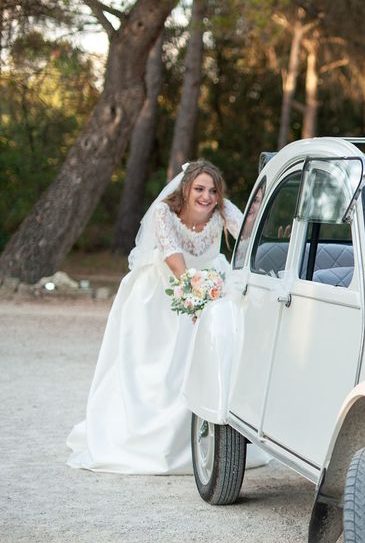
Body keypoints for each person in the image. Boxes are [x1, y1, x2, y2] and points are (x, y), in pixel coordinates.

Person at [67, 161, 253, 474]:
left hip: (209, 280)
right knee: (159, 362)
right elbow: (172, 255)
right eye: (199, 189)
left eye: (212, 190)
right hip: (165, 285)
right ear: (186, 188)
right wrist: (194, 291)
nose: (206, 196)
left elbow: (248, 233)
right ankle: (148, 433)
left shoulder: (223, 210)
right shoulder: (164, 213)